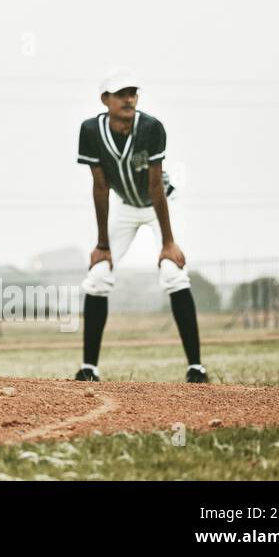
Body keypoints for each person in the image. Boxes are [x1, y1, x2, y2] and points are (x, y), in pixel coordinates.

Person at [74, 68, 206, 383]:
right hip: (124, 206)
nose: (128, 99)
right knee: (98, 276)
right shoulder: (91, 131)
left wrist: (168, 242)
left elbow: (155, 186)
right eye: (121, 94)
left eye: (132, 93)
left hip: (159, 205)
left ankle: (196, 368)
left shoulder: (151, 128)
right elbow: (100, 187)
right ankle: (89, 368)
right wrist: (102, 244)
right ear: (105, 99)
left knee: (173, 273)